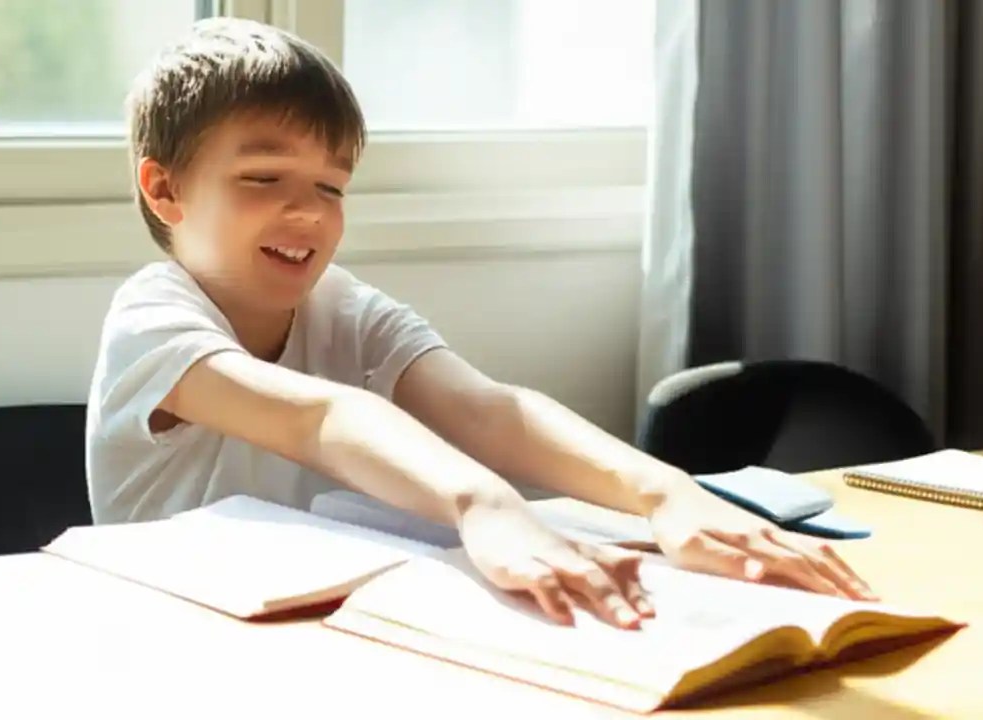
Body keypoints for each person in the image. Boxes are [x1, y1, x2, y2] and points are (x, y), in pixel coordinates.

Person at [87, 17, 875, 630]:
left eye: (331, 188)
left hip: (319, 624)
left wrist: (665, 493)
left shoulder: (345, 307)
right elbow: (316, 418)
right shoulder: (152, 317)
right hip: (175, 633)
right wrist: (484, 504)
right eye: (264, 178)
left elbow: (486, 408)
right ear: (164, 191)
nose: (307, 213)